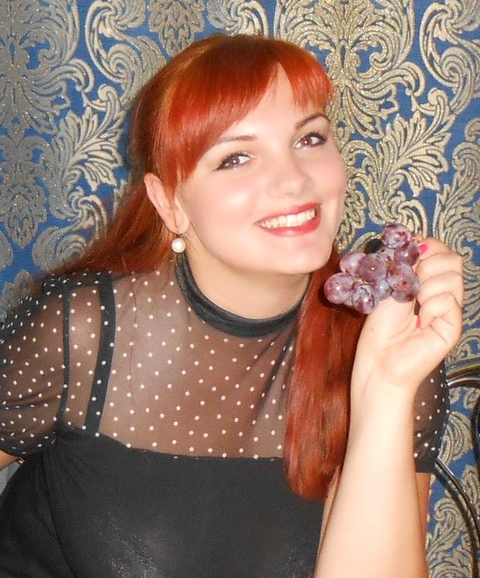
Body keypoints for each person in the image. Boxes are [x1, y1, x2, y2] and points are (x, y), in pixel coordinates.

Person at [0, 34, 463, 577]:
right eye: (236, 158)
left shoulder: (386, 339)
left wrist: (384, 387)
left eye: (310, 138)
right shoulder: (81, 328)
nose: (293, 180)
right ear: (169, 202)